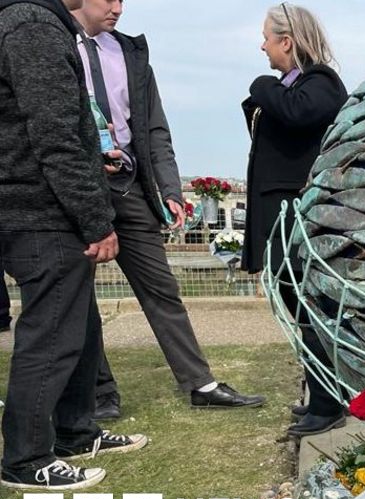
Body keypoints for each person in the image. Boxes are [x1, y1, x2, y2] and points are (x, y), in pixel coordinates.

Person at [71, 0, 265, 420]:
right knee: (77, 297)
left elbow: (155, 128)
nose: (119, 8)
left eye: (124, 0)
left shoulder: (132, 53)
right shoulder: (54, 44)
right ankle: (99, 393)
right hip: (77, 189)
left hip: (131, 188)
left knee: (162, 289)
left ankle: (201, 383)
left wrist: (170, 189)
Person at [0, 0, 146, 491]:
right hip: (39, 211)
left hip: (40, 203)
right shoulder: (32, 26)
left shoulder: (33, 24)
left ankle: (75, 431)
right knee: (50, 335)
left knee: (78, 325)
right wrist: (95, 220)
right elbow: (54, 136)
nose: (117, 5)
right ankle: (26, 458)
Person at [241, 2, 347, 437]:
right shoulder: (292, 85)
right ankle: (321, 396)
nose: (262, 45)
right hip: (281, 208)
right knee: (294, 302)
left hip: (298, 212)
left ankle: (329, 402)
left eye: (267, 37)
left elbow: (297, 112)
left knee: (308, 305)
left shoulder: (321, 82)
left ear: (287, 41)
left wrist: (262, 84)